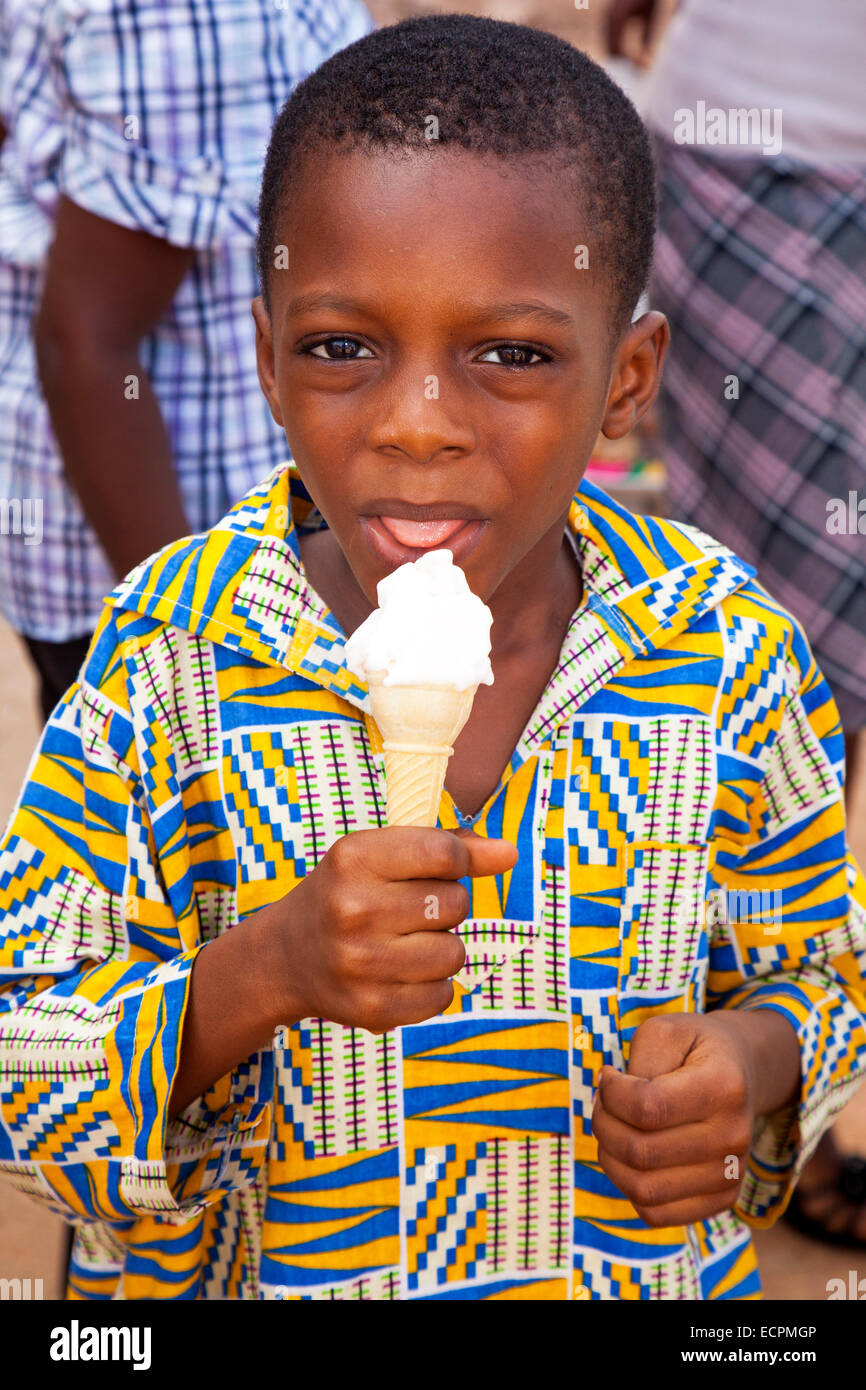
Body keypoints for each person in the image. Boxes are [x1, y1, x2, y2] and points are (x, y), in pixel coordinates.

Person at [1, 14, 865, 1301]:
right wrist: (262, 972)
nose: (417, 424)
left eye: (510, 355)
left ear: (624, 381)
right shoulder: (168, 655)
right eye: (341, 345)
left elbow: (814, 972)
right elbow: (31, 1061)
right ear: (267, 362)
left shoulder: (724, 650)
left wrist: (748, 1067)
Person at [607, 0, 866, 1246]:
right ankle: (754, 1065)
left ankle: (766, 1068)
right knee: (795, 643)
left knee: (783, 676)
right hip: (765, 152)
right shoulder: (189, 637)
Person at [0, 0, 373, 725]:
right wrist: (189, 662)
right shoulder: (183, 13)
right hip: (176, 534)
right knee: (196, 823)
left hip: (125, 523)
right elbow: (90, 344)